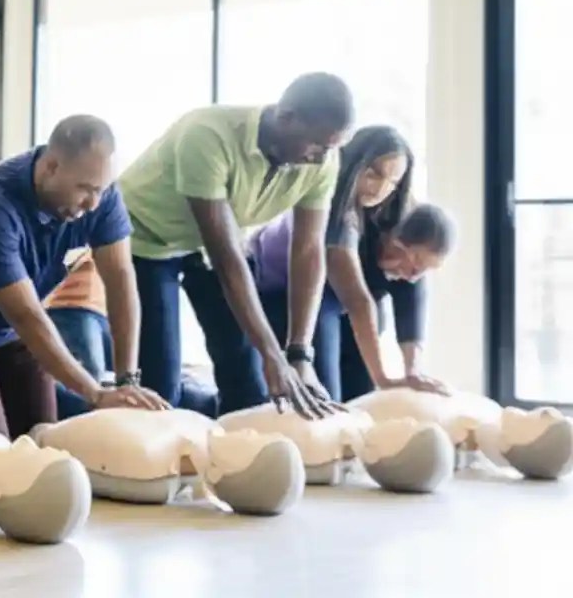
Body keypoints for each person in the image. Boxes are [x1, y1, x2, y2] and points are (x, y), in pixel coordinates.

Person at [0, 115, 169, 441]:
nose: (92, 204)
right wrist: (94, 394)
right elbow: (27, 318)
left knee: (44, 439)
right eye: (84, 190)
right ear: (50, 167)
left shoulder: (101, 196)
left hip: (15, 325)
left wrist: (126, 381)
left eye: (100, 191)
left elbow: (120, 281)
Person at [116, 72, 355, 420]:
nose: (321, 159)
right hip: (147, 240)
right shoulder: (207, 133)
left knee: (249, 374)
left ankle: (240, 460)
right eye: (317, 145)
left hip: (214, 243)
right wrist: (275, 356)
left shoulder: (322, 162)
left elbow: (307, 250)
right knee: (160, 383)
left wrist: (298, 354)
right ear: (286, 117)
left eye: (331, 148)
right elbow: (226, 259)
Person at [250, 125, 454, 401]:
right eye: (373, 174)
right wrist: (383, 378)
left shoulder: (404, 214)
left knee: (360, 390)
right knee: (324, 389)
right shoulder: (335, 205)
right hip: (280, 284)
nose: (381, 188)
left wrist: (412, 370)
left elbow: (410, 299)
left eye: (393, 181)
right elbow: (358, 301)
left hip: (339, 296)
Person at [45, 255, 219, 419]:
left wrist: (126, 381)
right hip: (69, 305)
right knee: (87, 400)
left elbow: (121, 277)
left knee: (159, 389)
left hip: (104, 312)